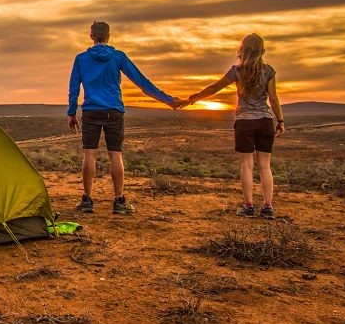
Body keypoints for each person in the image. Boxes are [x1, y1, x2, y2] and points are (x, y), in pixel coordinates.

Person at [67, 20, 183, 214]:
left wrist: (71, 113)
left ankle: (87, 200)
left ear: (91, 36)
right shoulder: (118, 57)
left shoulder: (81, 59)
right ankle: (119, 201)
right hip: (114, 111)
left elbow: (73, 89)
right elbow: (142, 82)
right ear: (109, 36)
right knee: (115, 155)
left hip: (91, 111)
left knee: (89, 154)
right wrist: (168, 100)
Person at [184, 33, 284, 219]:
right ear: (262, 50)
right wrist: (280, 120)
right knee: (265, 166)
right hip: (264, 120)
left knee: (247, 165)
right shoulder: (269, 71)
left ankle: (248, 206)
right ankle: (268, 207)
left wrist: (197, 96)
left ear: (242, 50)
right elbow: (273, 98)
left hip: (244, 121)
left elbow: (216, 87)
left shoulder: (237, 71)